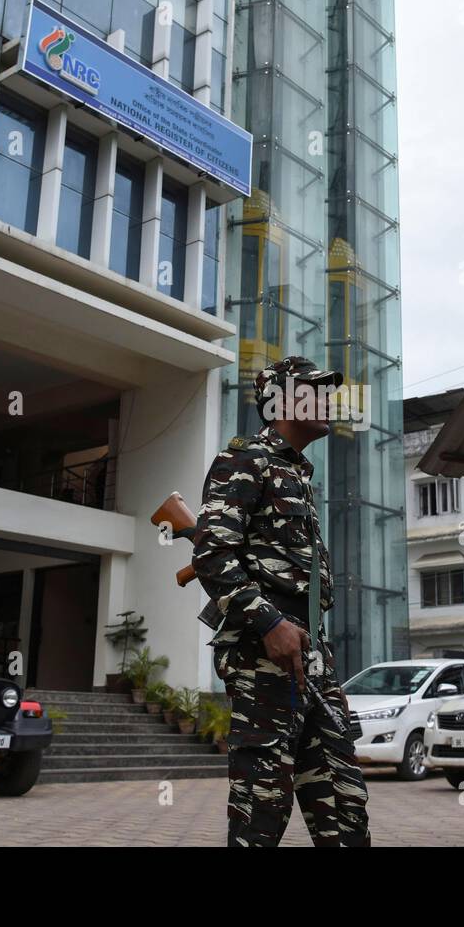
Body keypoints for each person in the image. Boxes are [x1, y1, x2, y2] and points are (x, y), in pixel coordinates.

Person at [192, 356, 370, 847]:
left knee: (344, 799)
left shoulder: (298, 475)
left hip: (311, 651)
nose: (330, 400)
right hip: (262, 652)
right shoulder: (245, 460)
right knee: (261, 807)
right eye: (316, 390)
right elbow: (211, 554)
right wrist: (269, 622)